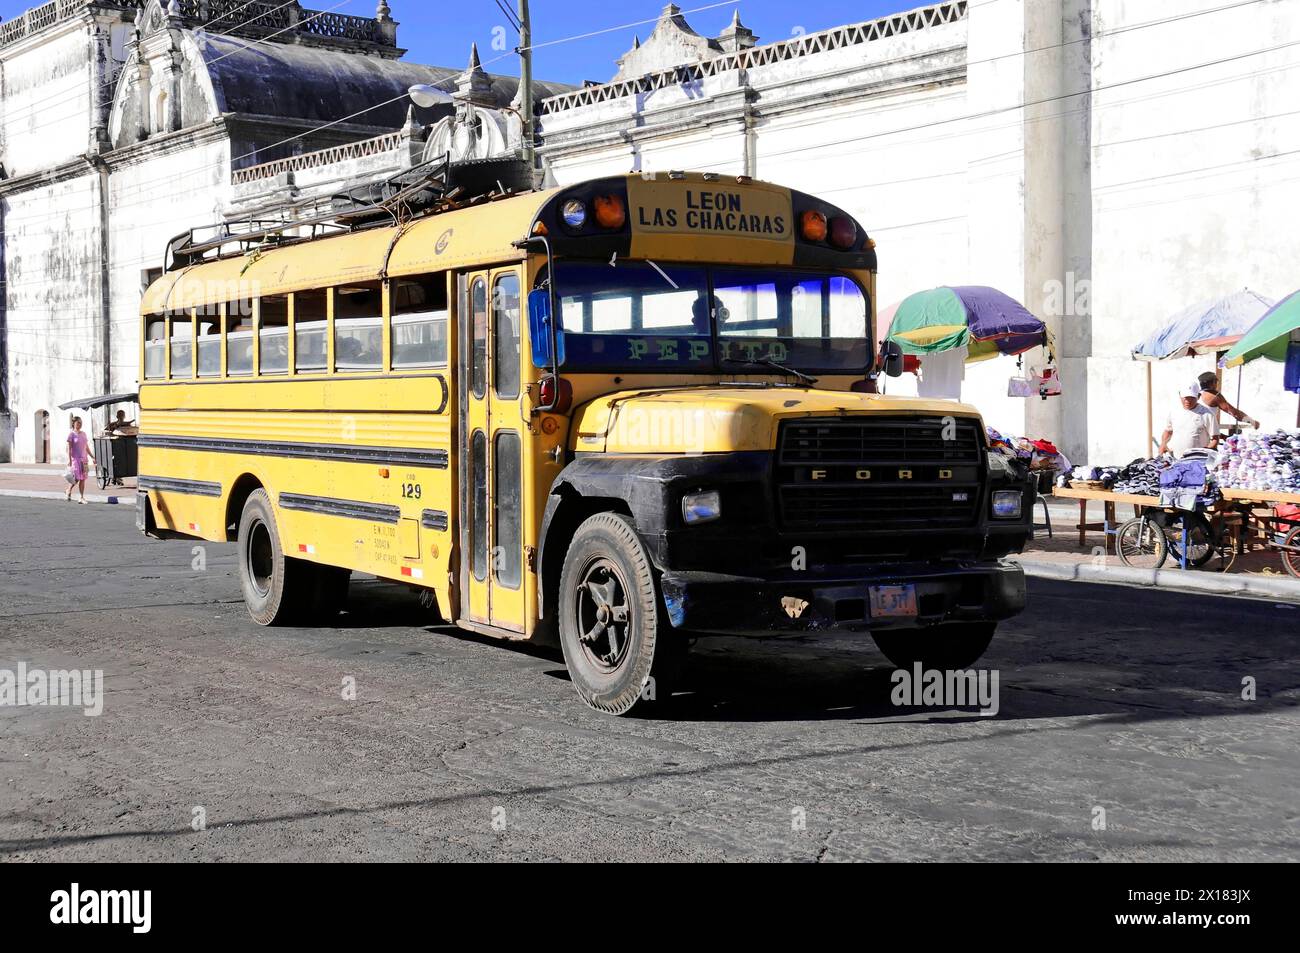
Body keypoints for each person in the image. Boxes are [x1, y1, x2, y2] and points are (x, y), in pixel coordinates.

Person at [1159, 385, 1216, 457]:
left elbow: (1215, 438)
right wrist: (1163, 444)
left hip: (1197, 460)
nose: (1187, 401)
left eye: (1191, 398)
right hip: (1177, 458)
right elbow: (1168, 431)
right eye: (1185, 398)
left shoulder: (1207, 414)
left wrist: (1205, 452)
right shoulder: (1174, 412)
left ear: (1198, 396)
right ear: (1180, 395)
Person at [1195, 371, 1259, 430]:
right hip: (1205, 432)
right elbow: (1234, 413)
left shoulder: (1196, 395)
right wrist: (1252, 421)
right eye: (1216, 381)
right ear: (1213, 382)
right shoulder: (1214, 396)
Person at [64, 416, 96, 503]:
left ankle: (81, 497)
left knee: (83, 479)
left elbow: (86, 447)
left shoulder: (83, 434)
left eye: (80, 423)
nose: (79, 424)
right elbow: (69, 449)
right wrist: (69, 460)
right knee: (77, 478)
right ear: (73, 424)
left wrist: (92, 457)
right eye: (78, 423)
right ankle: (68, 490)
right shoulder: (71, 435)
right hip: (75, 460)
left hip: (84, 460)